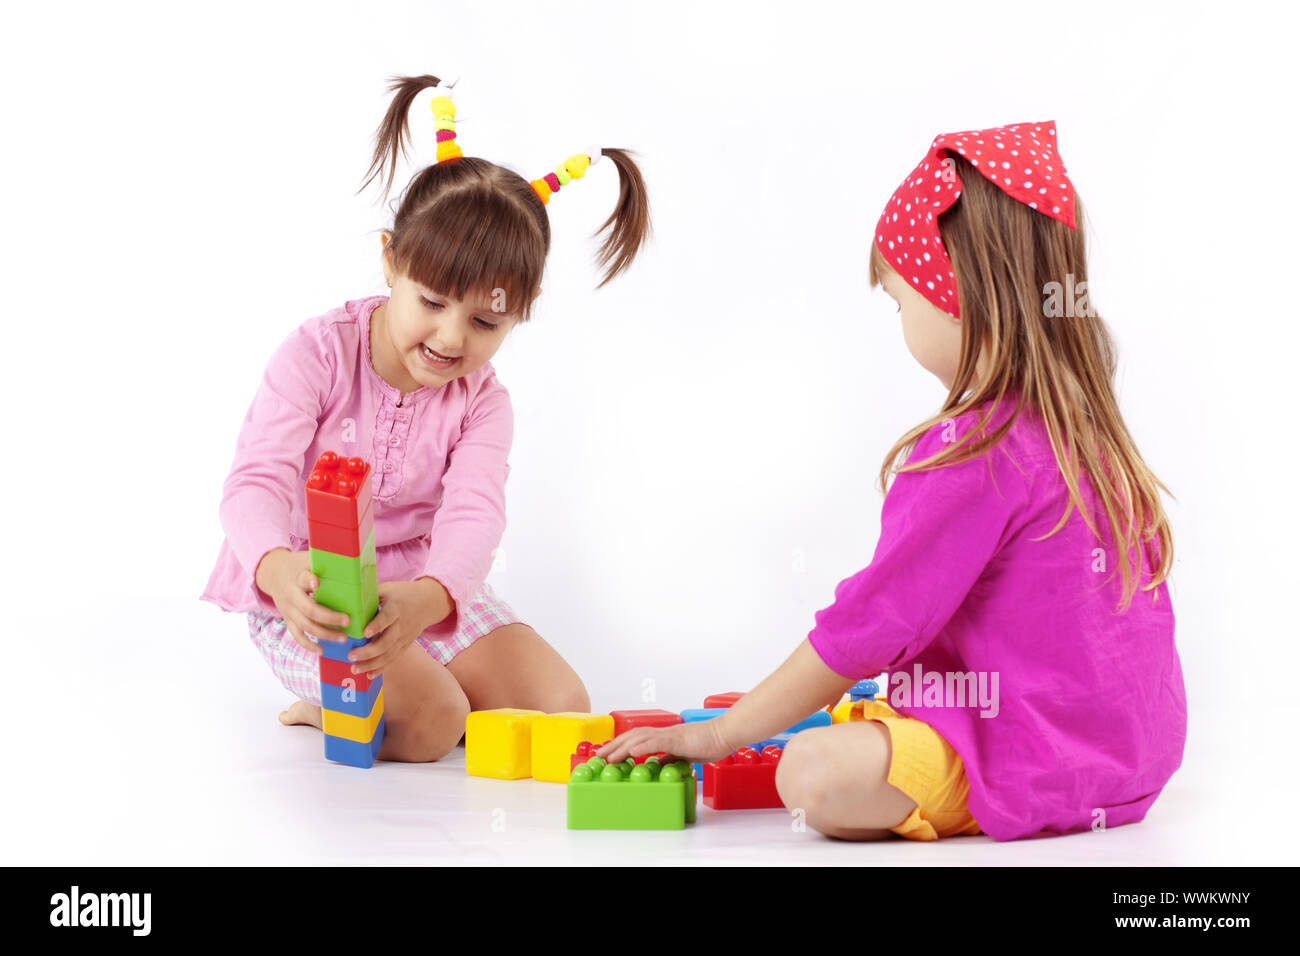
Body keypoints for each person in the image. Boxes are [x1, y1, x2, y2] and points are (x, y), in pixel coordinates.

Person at [598, 121, 1186, 843]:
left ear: (959, 297)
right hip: (1133, 765)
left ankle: (988, 788)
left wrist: (718, 736)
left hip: (1024, 756)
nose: (901, 320)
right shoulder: (1092, 437)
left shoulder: (975, 450)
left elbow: (865, 631)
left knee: (809, 774)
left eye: (901, 301)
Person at [200, 74, 651, 762]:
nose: (450, 337)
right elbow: (253, 482)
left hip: (423, 588)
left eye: (485, 320)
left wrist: (429, 599)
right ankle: (324, 710)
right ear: (390, 262)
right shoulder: (317, 354)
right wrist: (277, 568)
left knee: (562, 709)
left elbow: (474, 516)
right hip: (316, 591)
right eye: (433, 300)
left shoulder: (483, 402)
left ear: (518, 315)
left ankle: (424, 682)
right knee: (434, 722)